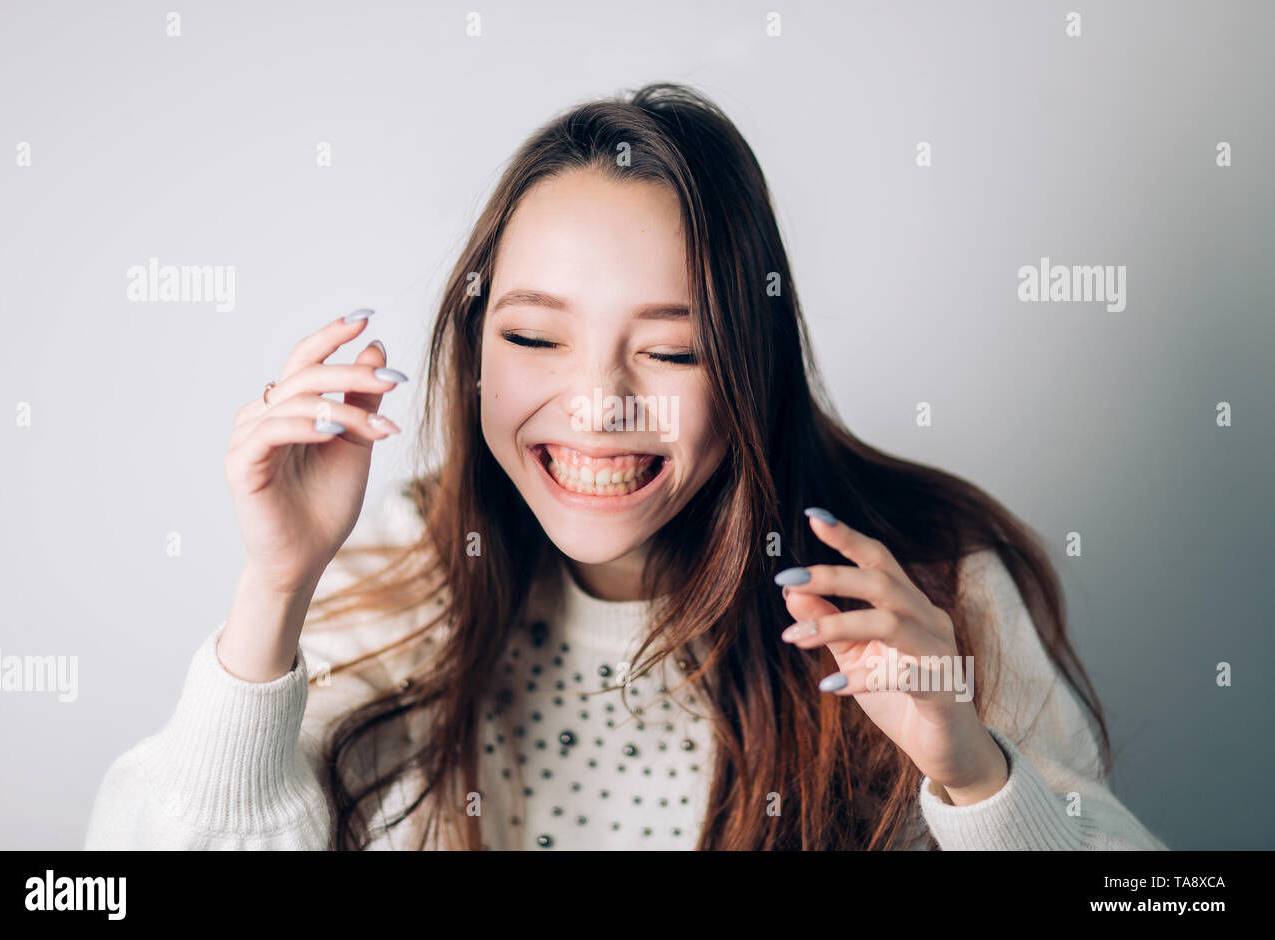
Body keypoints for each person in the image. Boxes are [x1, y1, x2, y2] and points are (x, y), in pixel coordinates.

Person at [84, 83, 1167, 850]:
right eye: (534, 337)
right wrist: (275, 586)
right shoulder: (404, 570)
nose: (598, 406)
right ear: (473, 349)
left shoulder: (926, 585)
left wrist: (972, 774)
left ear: (752, 362)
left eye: (672, 350)